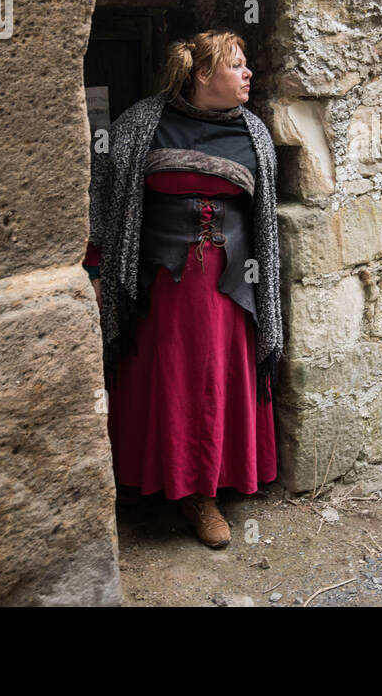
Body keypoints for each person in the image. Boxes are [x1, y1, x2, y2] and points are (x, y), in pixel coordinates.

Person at [85, 29, 283, 548]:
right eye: (235, 65)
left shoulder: (254, 133)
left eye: (246, 65)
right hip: (158, 286)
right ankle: (145, 476)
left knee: (213, 382)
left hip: (230, 286)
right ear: (201, 74)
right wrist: (98, 267)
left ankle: (204, 491)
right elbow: (103, 195)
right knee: (164, 378)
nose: (248, 74)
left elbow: (262, 216)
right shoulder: (141, 124)